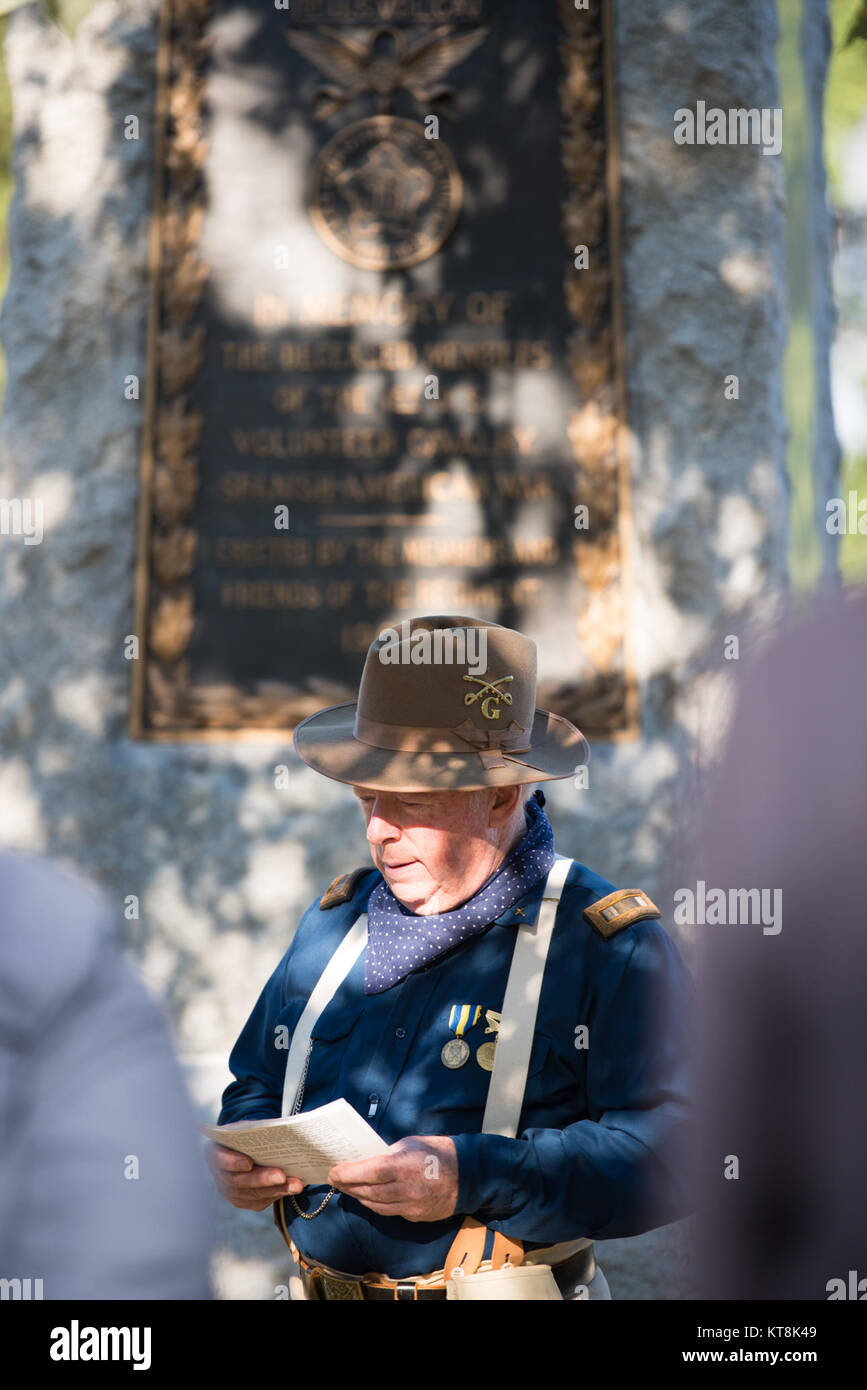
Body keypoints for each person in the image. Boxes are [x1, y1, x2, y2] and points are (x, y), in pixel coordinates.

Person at [207, 615, 693, 1300]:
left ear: (499, 797)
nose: (377, 830)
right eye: (366, 799)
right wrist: (242, 1150)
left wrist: (473, 1174)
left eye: (408, 804)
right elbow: (256, 1081)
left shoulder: (604, 944)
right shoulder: (335, 922)